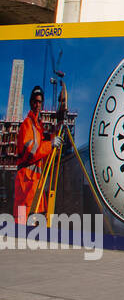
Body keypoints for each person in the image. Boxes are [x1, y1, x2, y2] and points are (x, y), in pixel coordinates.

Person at [14, 86, 59, 221]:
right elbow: (31, 153)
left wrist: (52, 140)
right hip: (26, 183)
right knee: (23, 225)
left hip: (34, 183)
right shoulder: (27, 124)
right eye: (35, 101)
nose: (37, 104)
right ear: (31, 102)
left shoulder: (38, 127)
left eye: (40, 102)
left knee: (34, 224)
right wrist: (50, 144)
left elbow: (42, 153)